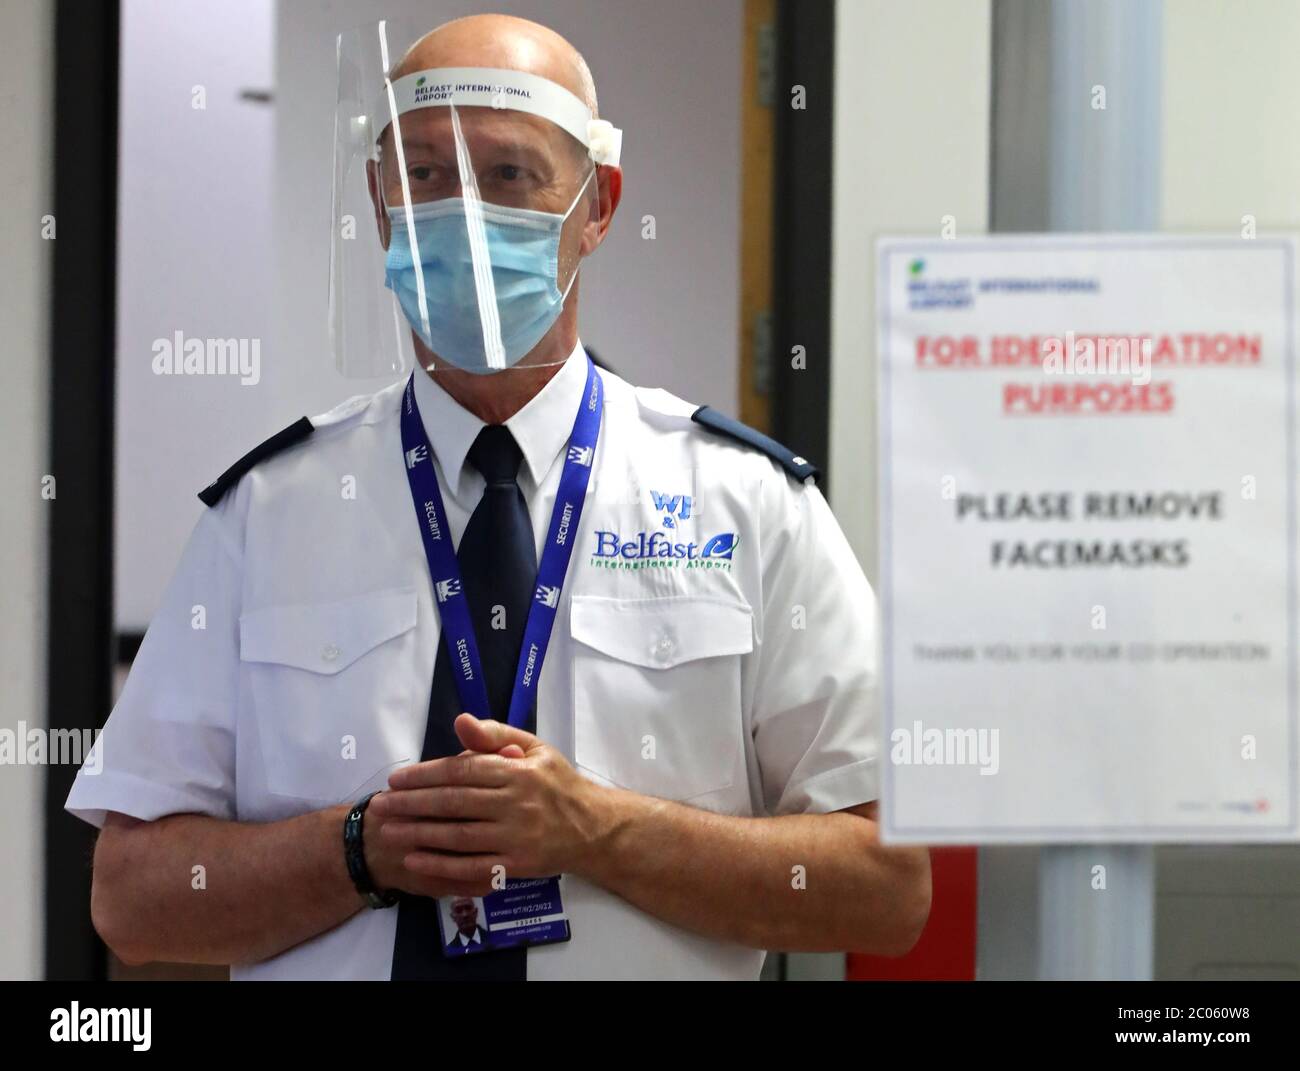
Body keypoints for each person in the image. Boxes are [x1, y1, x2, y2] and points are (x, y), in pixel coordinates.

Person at [68, 13, 930, 981]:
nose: (461, 215)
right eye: (425, 175)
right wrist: (359, 850)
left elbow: (886, 887)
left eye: (510, 176)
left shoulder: (746, 506)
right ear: (380, 201)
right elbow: (132, 900)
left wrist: (598, 831)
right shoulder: (265, 517)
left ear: (598, 206)